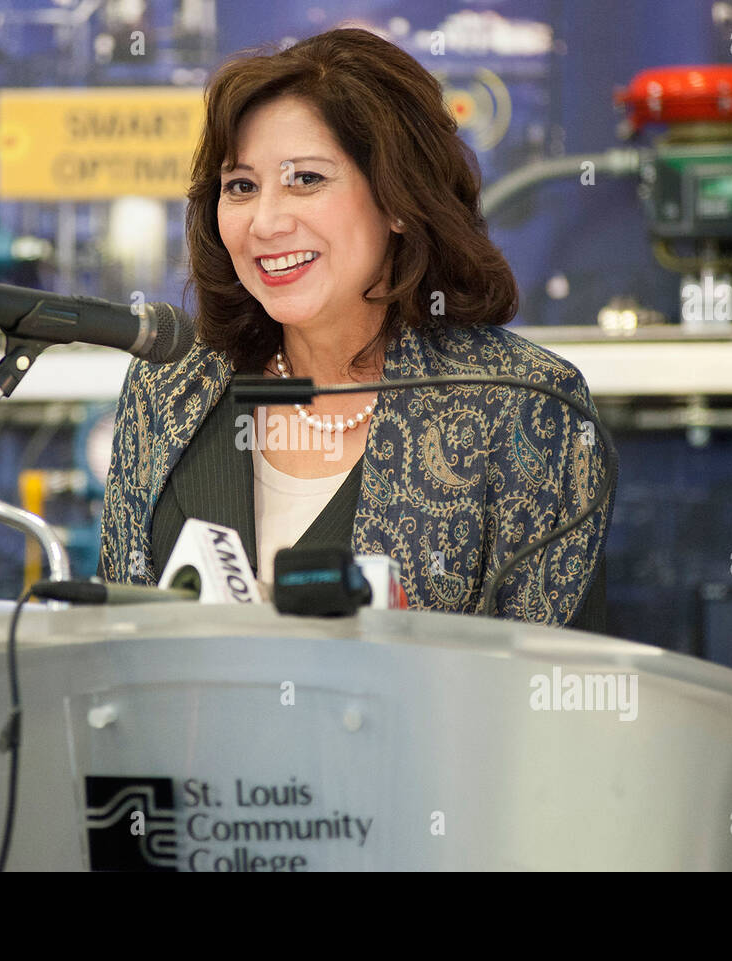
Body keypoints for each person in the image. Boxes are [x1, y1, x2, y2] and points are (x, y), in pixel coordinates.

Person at [98, 28, 614, 624]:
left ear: (397, 198)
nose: (264, 223)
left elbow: (546, 685)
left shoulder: (524, 403)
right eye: (241, 187)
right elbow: (121, 643)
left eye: (306, 180)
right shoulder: (170, 387)